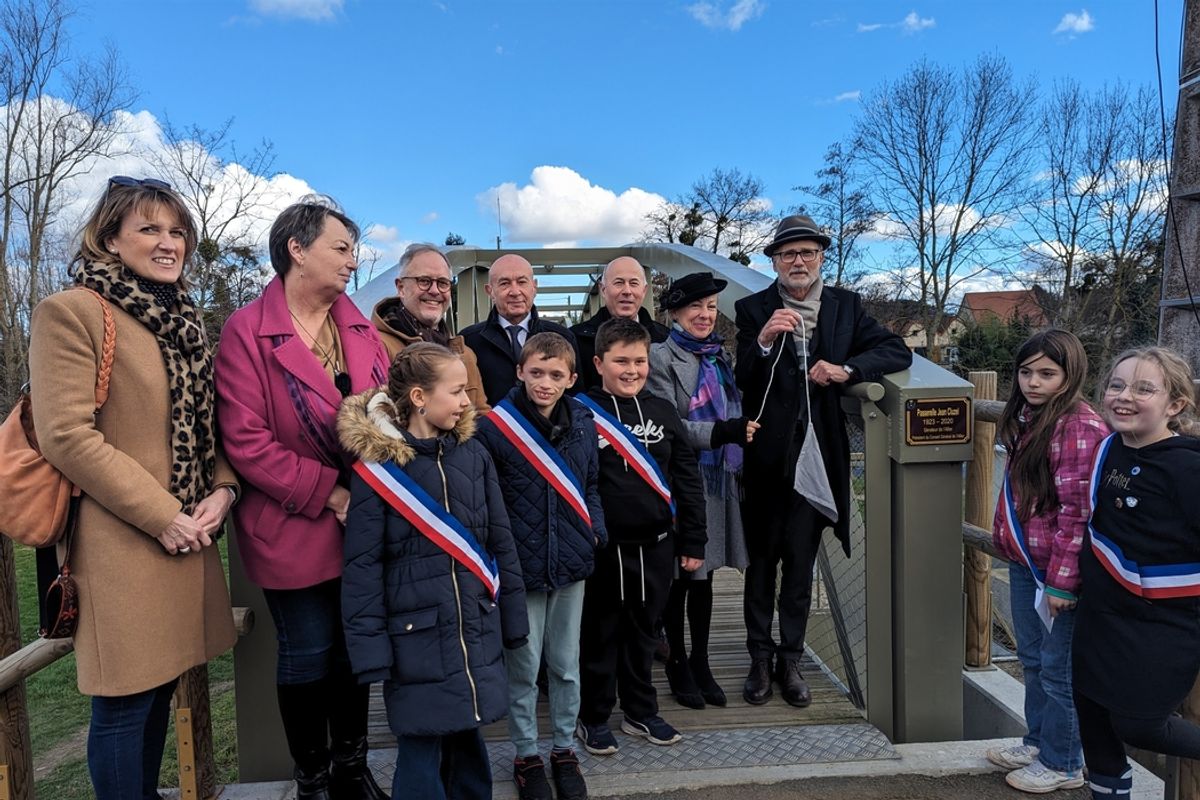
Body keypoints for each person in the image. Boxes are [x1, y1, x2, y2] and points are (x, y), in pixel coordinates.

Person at [28, 176, 238, 799]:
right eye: (149, 228)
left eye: (177, 231)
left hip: (187, 540)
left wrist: (222, 492)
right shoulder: (71, 311)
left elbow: (211, 428)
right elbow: (66, 434)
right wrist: (163, 514)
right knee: (122, 705)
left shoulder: (186, 322)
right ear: (111, 238)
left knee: (160, 693)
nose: (167, 242)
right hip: (122, 542)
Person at [214, 197, 391, 799]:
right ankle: (312, 778)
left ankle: (352, 766)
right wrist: (330, 493)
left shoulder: (362, 329)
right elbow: (245, 440)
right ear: (297, 248)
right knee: (310, 650)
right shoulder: (246, 330)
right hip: (290, 517)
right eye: (340, 248)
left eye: (352, 250)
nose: (352, 261)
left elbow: (386, 417)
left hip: (363, 516)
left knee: (354, 648)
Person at [337, 343, 529, 800]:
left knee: (469, 744)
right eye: (458, 390)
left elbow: (500, 539)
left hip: (474, 628)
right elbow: (363, 569)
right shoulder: (377, 472)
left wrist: (514, 619)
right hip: (414, 641)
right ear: (420, 397)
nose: (467, 401)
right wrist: (371, 654)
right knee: (420, 756)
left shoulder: (473, 455)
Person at [735, 214, 911, 707]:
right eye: (788, 254)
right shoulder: (752, 308)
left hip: (820, 455)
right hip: (768, 458)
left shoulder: (846, 306)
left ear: (821, 258)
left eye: (807, 253)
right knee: (762, 560)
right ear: (773, 261)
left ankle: (790, 660)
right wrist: (765, 338)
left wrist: (847, 368)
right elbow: (743, 378)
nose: (798, 261)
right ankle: (758, 658)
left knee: (799, 562)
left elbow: (896, 351)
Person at [475, 332, 605, 800]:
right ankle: (527, 753)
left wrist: (596, 529)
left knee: (566, 664)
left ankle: (564, 749)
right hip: (521, 566)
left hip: (571, 560)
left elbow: (591, 484)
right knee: (523, 666)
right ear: (519, 372)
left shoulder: (585, 425)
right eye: (536, 372)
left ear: (571, 378)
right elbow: (486, 497)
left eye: (555, 375)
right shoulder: (495, 429)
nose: (545, 383)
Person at [1071, 347, 1200, 800]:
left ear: (1175, 405)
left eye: (1144, 389)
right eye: (1117, 385)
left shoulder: (1188, 466)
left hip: (1162, 623)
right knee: (1094, 721)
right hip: (1100, 614)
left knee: (1139, 725)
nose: (1125, 397)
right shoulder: (1109, 448)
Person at [983, 330, 1108, 794]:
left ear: (1069, 375)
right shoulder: (1030, 416)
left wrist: (1060, 583)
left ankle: (1064, 761)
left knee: (1059, 668)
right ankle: (1038, 741)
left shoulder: (1077, 426)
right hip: (1027, 561)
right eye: (1026, 371)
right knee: (1033, 659)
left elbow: (1078, 511)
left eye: (1047, 374)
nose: (1034, 382)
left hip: (1055, 573)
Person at [575, 318, 707, 755]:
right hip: (604, 548)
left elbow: (687, 478)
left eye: (640, 361)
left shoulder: (662, 410)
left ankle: (640, 710)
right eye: (621, 361)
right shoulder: (578, 412)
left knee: (646, 631)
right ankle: (593, 716)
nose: (632, 370)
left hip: (656, 544)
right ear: (598, 363)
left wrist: (693, 540)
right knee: (600, 633)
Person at [646, 272, 758, 710]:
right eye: (695, 307)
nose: (705, 315)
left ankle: (702, 660)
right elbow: (669, 425)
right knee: (680, 576)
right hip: (682, 479)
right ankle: (677, 662)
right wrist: (725, 432)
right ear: (674, 312)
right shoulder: (659, 357)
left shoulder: (719, 356)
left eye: (711, 307)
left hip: (720, 479)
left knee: (705, 574)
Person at [371, 242, 490, 411]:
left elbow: (481, 417)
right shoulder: (376, 347)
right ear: (401, 287)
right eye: (424, 281)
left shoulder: (465, 355)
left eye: (443, 283)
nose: (435, 291)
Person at [461, 254, 579, 407]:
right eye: (504, 283)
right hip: (490, 429)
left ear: (534, 287)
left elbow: (575, 398)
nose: (515, 292)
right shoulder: (469, 341)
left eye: (522, 282)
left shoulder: (564, 337)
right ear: (490, 291)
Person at [570, 256, 669, 391]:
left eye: (634, 283)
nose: (627, 291)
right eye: (619, 283)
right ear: (603, 290)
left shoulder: (665, 339)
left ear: (644, 291)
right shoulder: (575, 340)